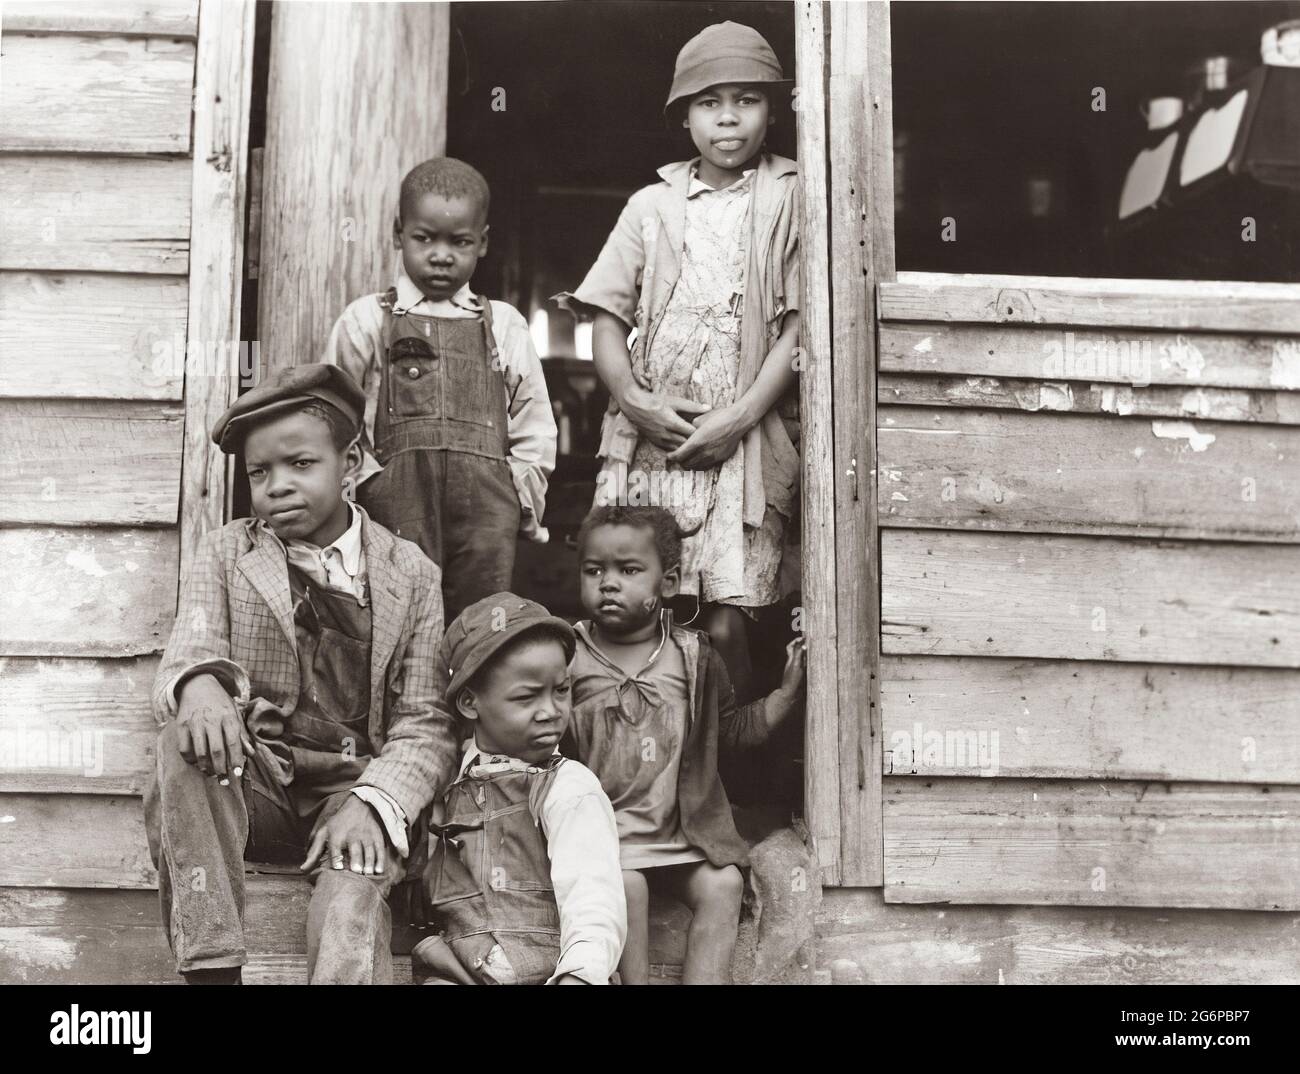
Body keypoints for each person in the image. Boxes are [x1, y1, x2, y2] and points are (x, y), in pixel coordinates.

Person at [143, 364, 458, 984]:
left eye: (301, 464)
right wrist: (200, 684)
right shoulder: (230, 551)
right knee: (179, 748)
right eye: (259, 473)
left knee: (354, 885)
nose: (276, 487)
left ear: (353, 461)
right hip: (257, 784)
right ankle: (212, 969)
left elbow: (428, 719)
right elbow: (188, 650)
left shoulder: (411, 573)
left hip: (352, 789)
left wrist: (376, 803)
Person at [555, 22, 802, 702]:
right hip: (653, 441)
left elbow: (802, 332)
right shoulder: (651, 207)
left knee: (728, 618)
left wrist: (739, 418)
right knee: (641, 606)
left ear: (773, 109)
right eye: (709, 101)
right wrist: (637, 402)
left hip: (745, 440)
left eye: (747, 99)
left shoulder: (792, 198)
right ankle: (641, 765)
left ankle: (728, 779)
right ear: (683, 116)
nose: (728, 116)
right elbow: (607, 321)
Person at [564, 505, 805, 983]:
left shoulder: (693, 656)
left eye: (629, 570)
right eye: (594, 571)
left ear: (668, 582)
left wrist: (783, 696)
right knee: (626, 886)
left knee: (725, 883)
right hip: (606, 842)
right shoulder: (568, 655)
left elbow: (731, 732)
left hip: (682, 839)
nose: (608, 582)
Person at [322, 157, 557, 621]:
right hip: (394, 502)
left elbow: (534, 421)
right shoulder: (367, 319)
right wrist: (365, 481)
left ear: (483, 243)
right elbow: (332, 416)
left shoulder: (504, 324)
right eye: (424, 238)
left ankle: (469, 696)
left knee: (480, 624)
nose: (441, 254)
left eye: (460, 241)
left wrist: (516, 493)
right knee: (396, 620)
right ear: (398, 234)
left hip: (486, 510)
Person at [415, 593, 626, 985]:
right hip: (465, 968)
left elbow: (593, 895)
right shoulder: (449, 784)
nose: (550, 711)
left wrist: (579, 975)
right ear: (469, 702)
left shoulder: (568, 787)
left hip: (552, 972)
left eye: (561, 690)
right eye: (527, 697)